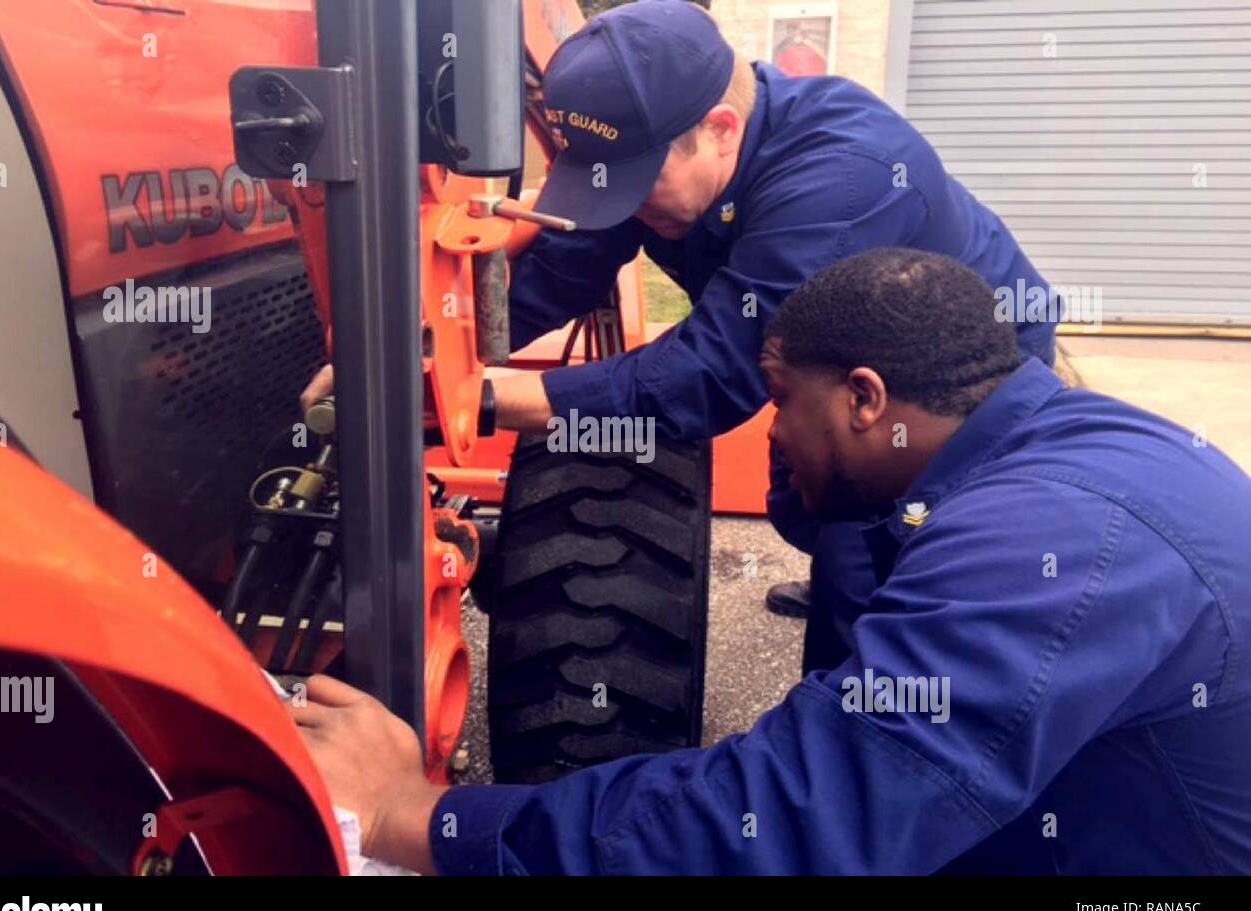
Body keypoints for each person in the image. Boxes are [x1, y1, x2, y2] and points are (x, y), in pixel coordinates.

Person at [292, 248, 1251, 875]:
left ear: (867, 398)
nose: (769, 428)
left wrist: (410, 820)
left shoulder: (1051, 544)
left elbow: (792, 820)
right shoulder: (1049, 445)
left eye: (782, 399)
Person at [301, 0, 1063, 658]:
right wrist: (417, 352)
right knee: (798, 496)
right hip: (834, 355)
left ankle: (866, 708)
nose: (622, 203)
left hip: (959, 375)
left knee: (874, 556)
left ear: (722, 128)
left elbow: (711, 375)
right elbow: (561, 272)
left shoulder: (845, 175)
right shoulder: (655, 159)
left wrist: (481, 397)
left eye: (635, 184)